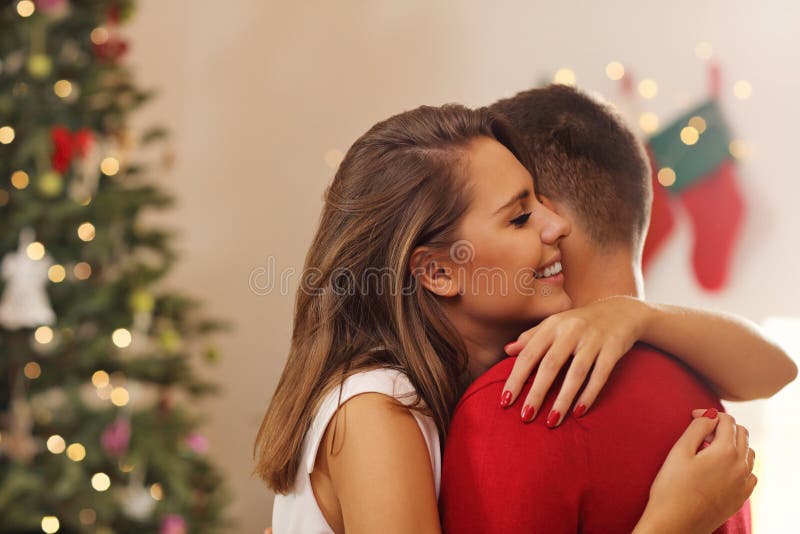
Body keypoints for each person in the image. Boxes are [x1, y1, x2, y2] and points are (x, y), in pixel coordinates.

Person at [254, 103, 793, 533]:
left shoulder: (458, 383)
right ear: (439, 272)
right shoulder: (375, 410)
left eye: (543, 202)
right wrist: (674, 522)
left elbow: (776, 370)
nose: (557, 225)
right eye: (520, 216)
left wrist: (634, 316)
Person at [439, 85, 796, 533]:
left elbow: (781, 368)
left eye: (518, 213)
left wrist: (634, 314)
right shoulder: (704, 376)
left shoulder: (516, 405)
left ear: (546, 217)